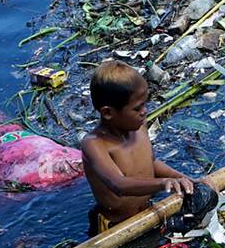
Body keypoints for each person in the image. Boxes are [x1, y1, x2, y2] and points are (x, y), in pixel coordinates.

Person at [81, 59, 203, 236]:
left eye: (145, 103)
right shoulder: (94, 144)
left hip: (148, 213)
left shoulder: (140, 127)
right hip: (115, 227)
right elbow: (119, 184)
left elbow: (151, 164)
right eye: (137, 108)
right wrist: (162, 184)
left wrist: (185, 180)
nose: (144, 111)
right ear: (108, 113)